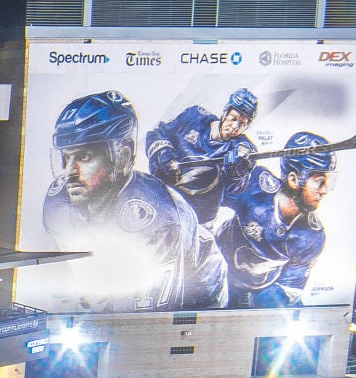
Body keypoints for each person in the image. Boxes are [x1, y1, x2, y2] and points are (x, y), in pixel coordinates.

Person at [42, 92, 225, 311]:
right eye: (65, 157)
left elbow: (149, 320)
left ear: (122, 157)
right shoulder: (58, 202)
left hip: (198, 290)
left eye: (84, 157)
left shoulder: (159, 221)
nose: (69, 172)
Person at [208, 132, 337, 307]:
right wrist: (227, 174)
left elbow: (288, 290)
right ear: (293, 179)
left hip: (258, 289)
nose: (325, 190)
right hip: (215, 270)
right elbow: (209, 201)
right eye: (320, 182)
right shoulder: (256, 186)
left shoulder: (312, 236)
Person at [144, 88, 261, 219]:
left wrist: (238, 172)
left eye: (242, 124)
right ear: (225, 113)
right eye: (233, 118)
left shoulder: (242, 149)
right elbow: (157, 133)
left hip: (196, 217)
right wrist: (164, 156)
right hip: (161, 195)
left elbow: (235, 189)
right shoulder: (194, 116)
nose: (235, 126)